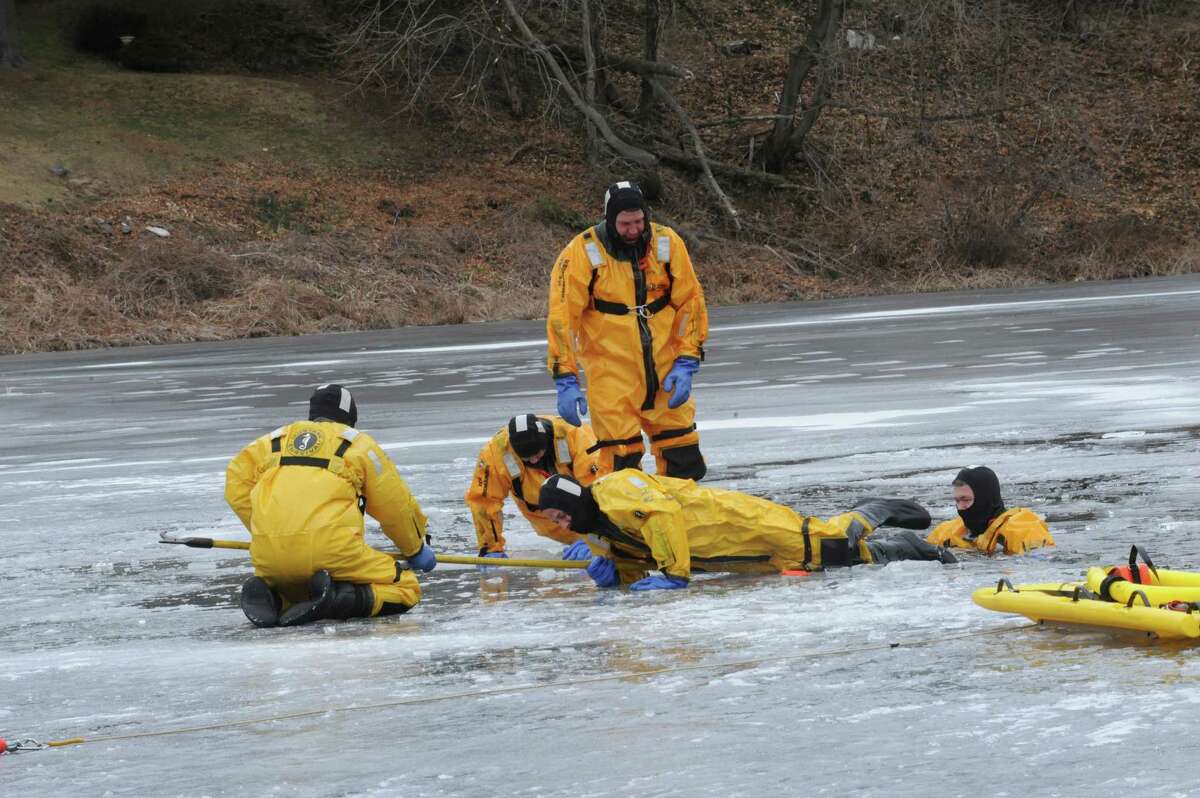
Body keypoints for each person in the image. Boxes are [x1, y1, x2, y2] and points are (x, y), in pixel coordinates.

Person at [224, 384, 437, 627]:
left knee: (298, 586)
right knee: (406, 587)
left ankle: (276, 597)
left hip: (269, 558)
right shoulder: (358, 445)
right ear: (350, 417)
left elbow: (236, 484)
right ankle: (338, 599)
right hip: (334, 553)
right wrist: (415, 548)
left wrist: (268, 531)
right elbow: (395, 505)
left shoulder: (271, 441)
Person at [535, 471, 956, 590]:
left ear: (572, 501)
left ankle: (872, 510)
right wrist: (615, 575)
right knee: (834, 560)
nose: (562, 525)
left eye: (560, 515)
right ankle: (903, 546)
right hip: (731, 556)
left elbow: (661, 516)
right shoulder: (597, 531)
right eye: (554, 522)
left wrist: (673, 574)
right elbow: (635, 560)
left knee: (825, 541)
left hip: (738, 522)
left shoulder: (616, 487)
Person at [546, 180, 709, 481]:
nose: (633, 230)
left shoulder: (667, 243)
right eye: (624, 224)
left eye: (638, 221)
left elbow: (691, 302)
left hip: (665, 368)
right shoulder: (582, 252)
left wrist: (688, 359)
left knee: (683, 457)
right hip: (611, 372)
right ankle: (630, 525)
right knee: (622, 467)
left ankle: (682, 519)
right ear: (610, 219)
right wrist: (565, 377)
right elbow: (562, 318)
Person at [466, 413, 602, 562]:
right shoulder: (495, 455)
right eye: (527, 458)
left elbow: (598, 486)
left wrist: (596, 535)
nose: (533, 460)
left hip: (588, 513)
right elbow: (484, 502)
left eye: (537, 454)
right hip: (547, 521)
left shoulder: (574, 435)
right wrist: (490, 548)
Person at [926, 466, 1054, 555]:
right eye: (957, 501)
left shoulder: (1024, 531)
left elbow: (1040, 567)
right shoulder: (946, 532)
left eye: (966, 500)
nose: (960, 507)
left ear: (985, 499)